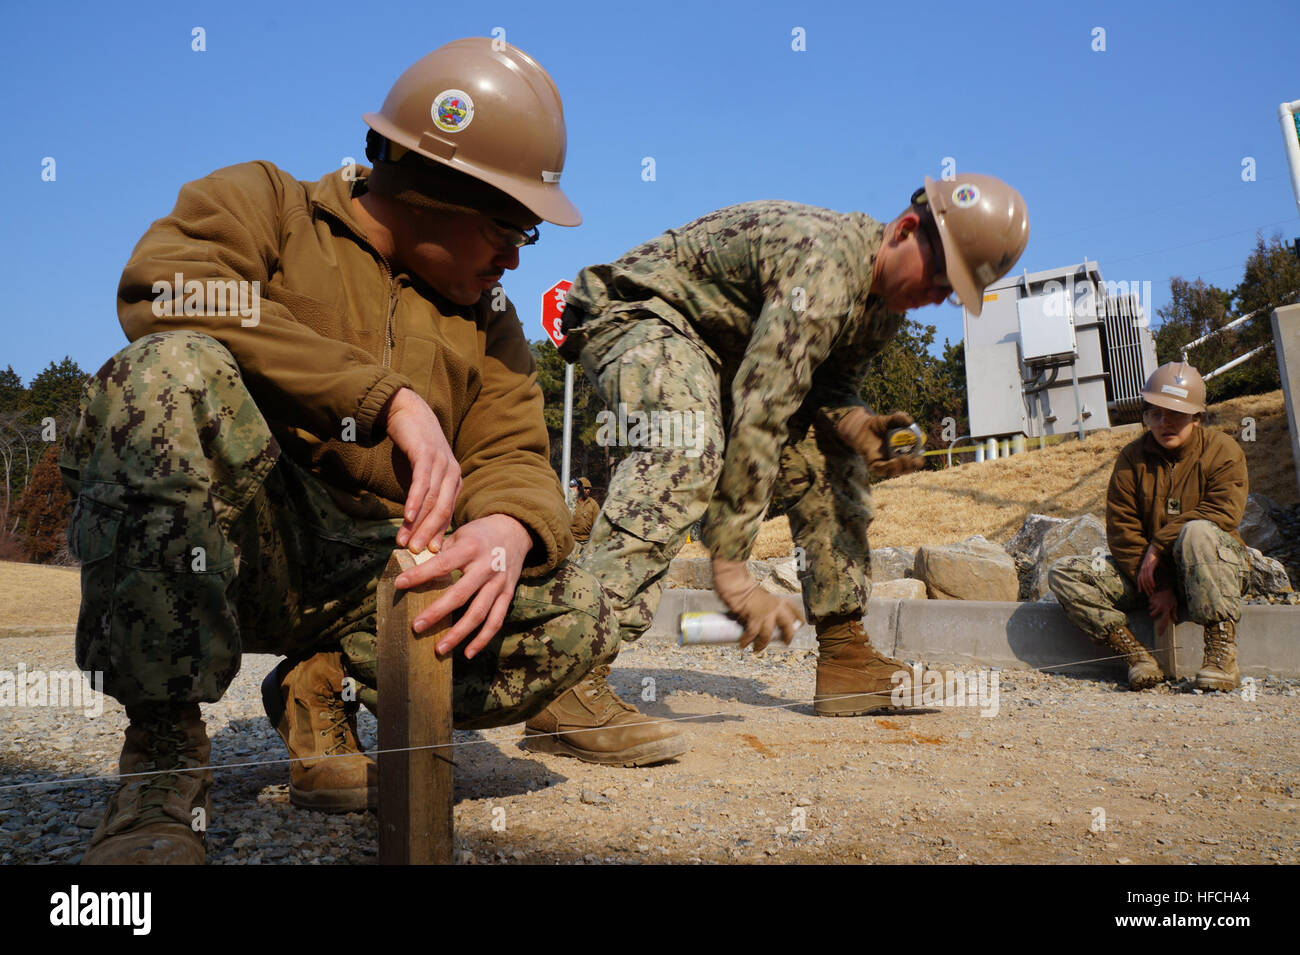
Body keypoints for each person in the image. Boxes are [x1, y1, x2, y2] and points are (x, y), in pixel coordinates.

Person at [60, 37, 615, 865]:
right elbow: (167, 284)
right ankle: (161, 764)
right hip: (237, 542)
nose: (512, 255)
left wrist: (506, 528)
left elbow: (513, 452)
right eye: (509, 227)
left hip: (373, 575)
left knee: (577, 611)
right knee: (168, 371)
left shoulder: (489, 320)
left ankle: (324, 681)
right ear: (433, 189)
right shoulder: (268, 206)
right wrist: (385, 397)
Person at [523, 176, 1030, 766]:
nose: (938, 298)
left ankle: (846, 658)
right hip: (639, 315)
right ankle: (561, 680)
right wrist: (732, 569)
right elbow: (765, 402)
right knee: (687, 446)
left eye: (954, 293)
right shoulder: (826, 262)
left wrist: (860, 426)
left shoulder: (881, 306)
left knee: (826, 457)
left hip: (719, 357)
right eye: (940, 279)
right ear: (907, 230)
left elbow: (827, 388)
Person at [1048, 362, 1249, 691]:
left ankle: (1221, 656)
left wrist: (1158, 546)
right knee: (1064, 572)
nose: (1164, 423)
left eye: (1175, 414)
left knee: (1197, 531)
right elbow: (1122, 530)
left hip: (1213, 570)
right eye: (1155, 413)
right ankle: (1137, 657)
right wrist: (1162, 585)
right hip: (1148, 578)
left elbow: (1222, 512)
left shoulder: (1223, 452)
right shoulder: (1132, 458)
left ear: (1196, 417)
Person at [569, 477, 600, 549]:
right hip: (573, 542)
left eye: (589, 488)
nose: (588, 490)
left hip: (588, 542)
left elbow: (597, 525)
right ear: (579, 488)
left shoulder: (593, 504)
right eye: (585, 488)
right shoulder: (571, 502)